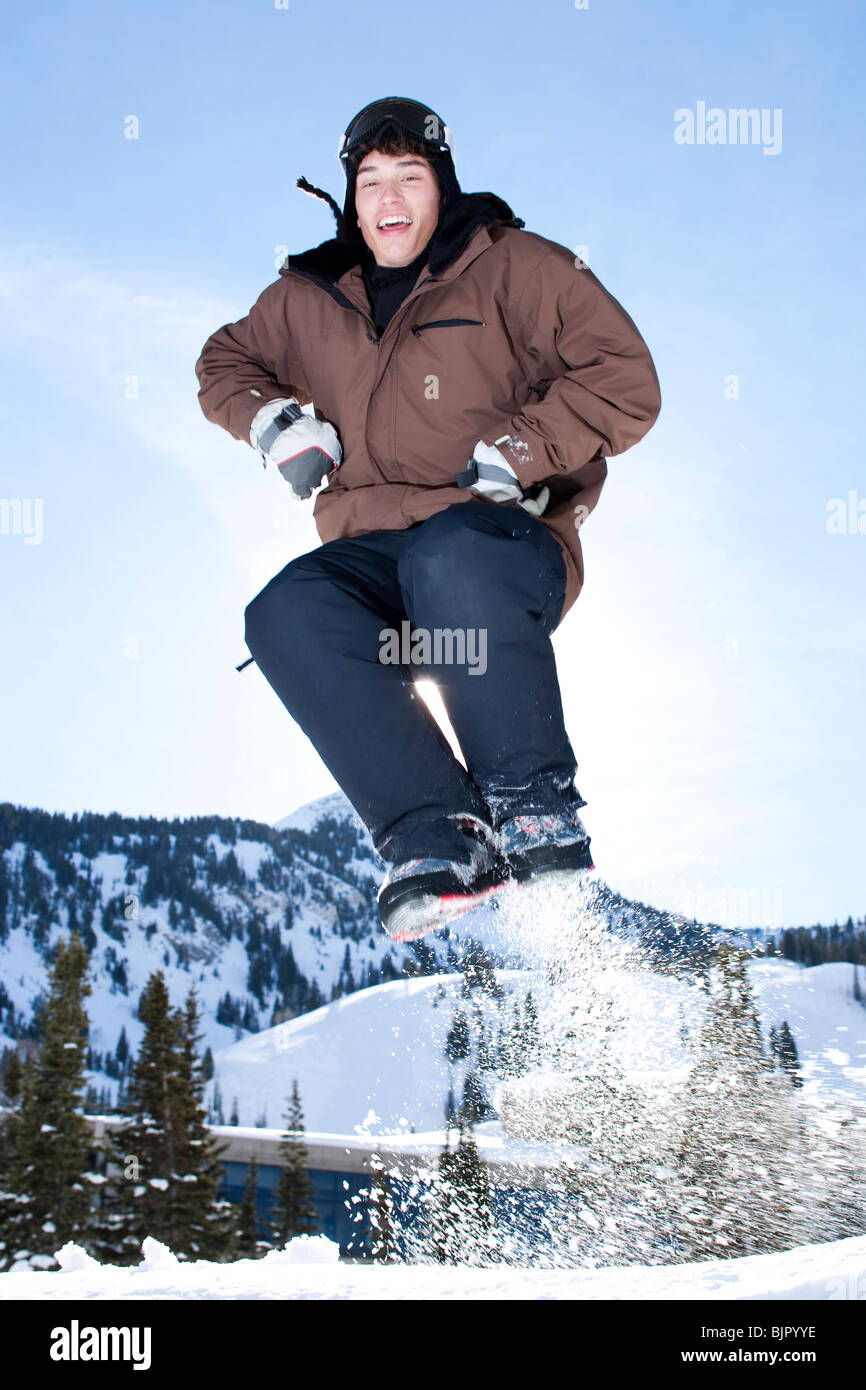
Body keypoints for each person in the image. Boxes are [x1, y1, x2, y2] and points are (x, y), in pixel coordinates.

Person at [195, 96, 661, 943]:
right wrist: (273, 423)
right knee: (286, 612)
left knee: (450, 554)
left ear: (441, 186)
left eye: (410, 176)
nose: (389, 197)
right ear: (352, 198)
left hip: (499, 544)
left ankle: (531, 812)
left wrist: (522, 449)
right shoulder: (310, 299)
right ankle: (437, 834)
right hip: (375, 559)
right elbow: (224, 360)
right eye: (370, 180)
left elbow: (625, 380)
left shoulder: (516, 266)